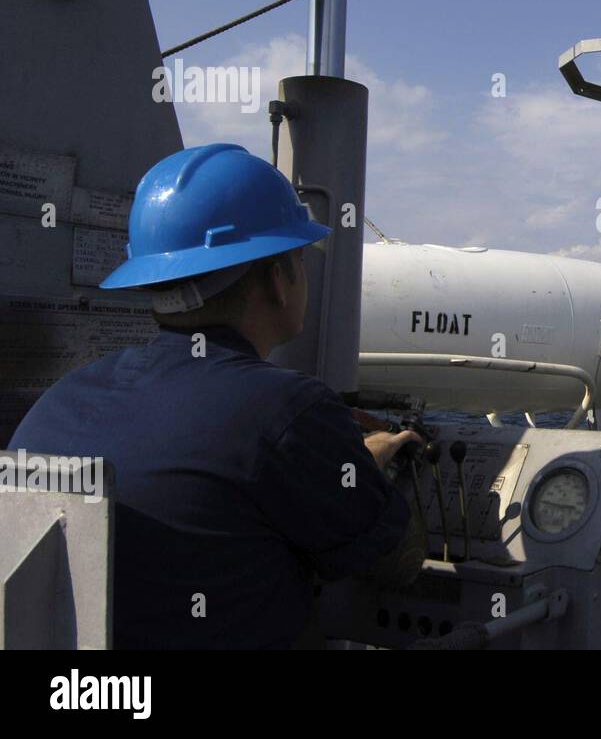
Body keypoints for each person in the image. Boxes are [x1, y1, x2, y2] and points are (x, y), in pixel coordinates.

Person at [9, 143, 424, 649]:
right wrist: (371, 465)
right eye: (297, 257)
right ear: (277, 279)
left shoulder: (65, 395)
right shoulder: (290, 412)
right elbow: (397, 563)